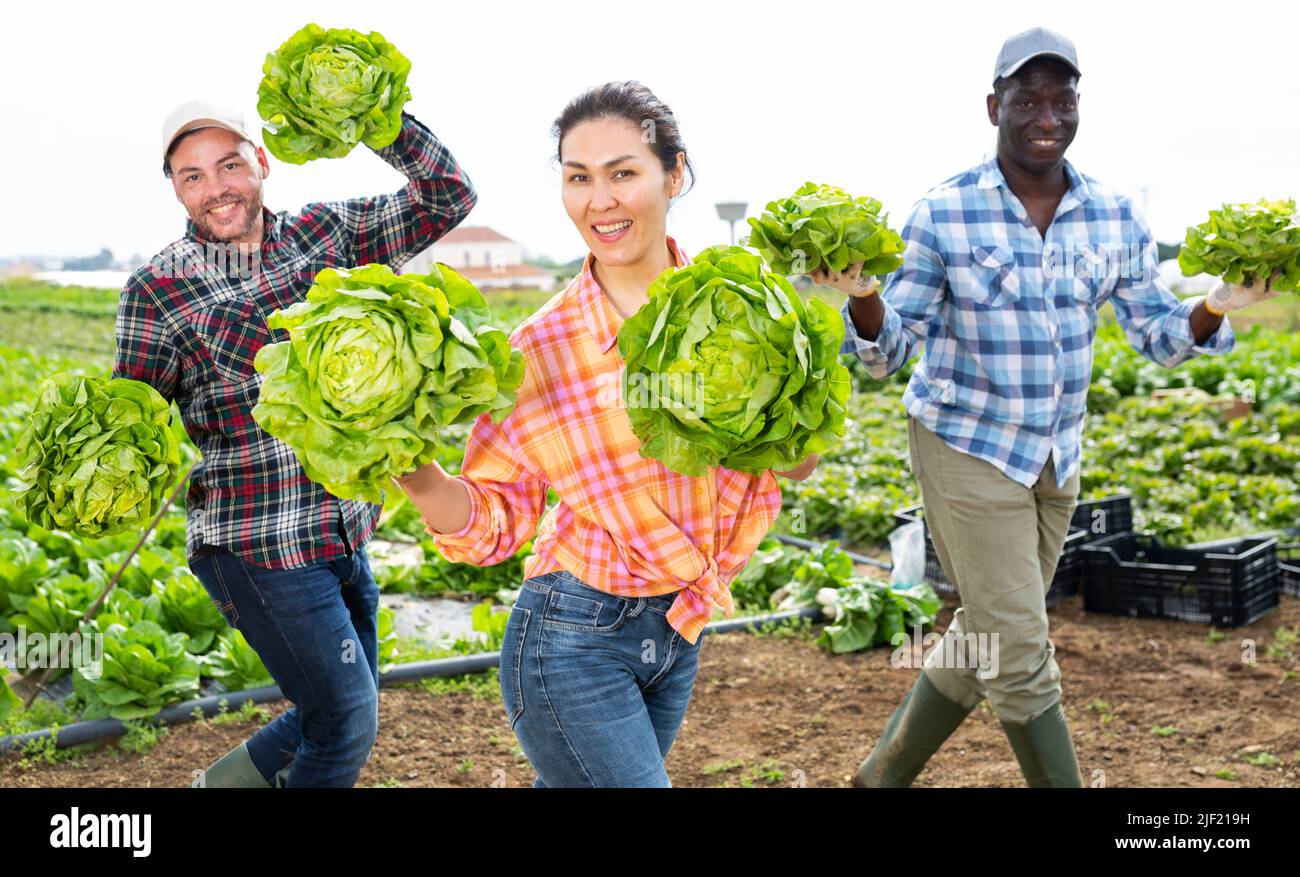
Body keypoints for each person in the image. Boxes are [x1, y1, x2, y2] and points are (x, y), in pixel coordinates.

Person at [822, 28, 1280, 787]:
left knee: (988, 633)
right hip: (965, 443)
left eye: (1061, 98)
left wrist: (1213, 306)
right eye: (1027, 97)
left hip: (1053, 456)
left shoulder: (1112, 216)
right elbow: (890, 350)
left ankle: (878, 779)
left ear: (1077, 106)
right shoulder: (943, 213)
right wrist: (864, 299)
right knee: (1024, 649)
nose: (1046, 114)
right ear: (993, 104)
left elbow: (1162, 339)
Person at [395, 81, 818, 787]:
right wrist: (418, 474)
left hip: (681, 628)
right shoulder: (540, 346)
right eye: (578, 177)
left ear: (672, 175)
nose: (601, 200)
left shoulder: (742, 307)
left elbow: (796, 464)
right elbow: (493, 523)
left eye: (624, 172)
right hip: (571, 637)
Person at [114, 99, 476, 787]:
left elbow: (445, 195)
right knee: (345, 721)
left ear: (262, 162)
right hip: (254, 544)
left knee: (341, 707)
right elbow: (130, 422)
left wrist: (371, 114)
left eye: (228, 163)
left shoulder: (328, 234)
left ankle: (214, 789)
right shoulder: (156, 290)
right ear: (175, 188)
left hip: (343, 526)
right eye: (191, 175)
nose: (214, 186)